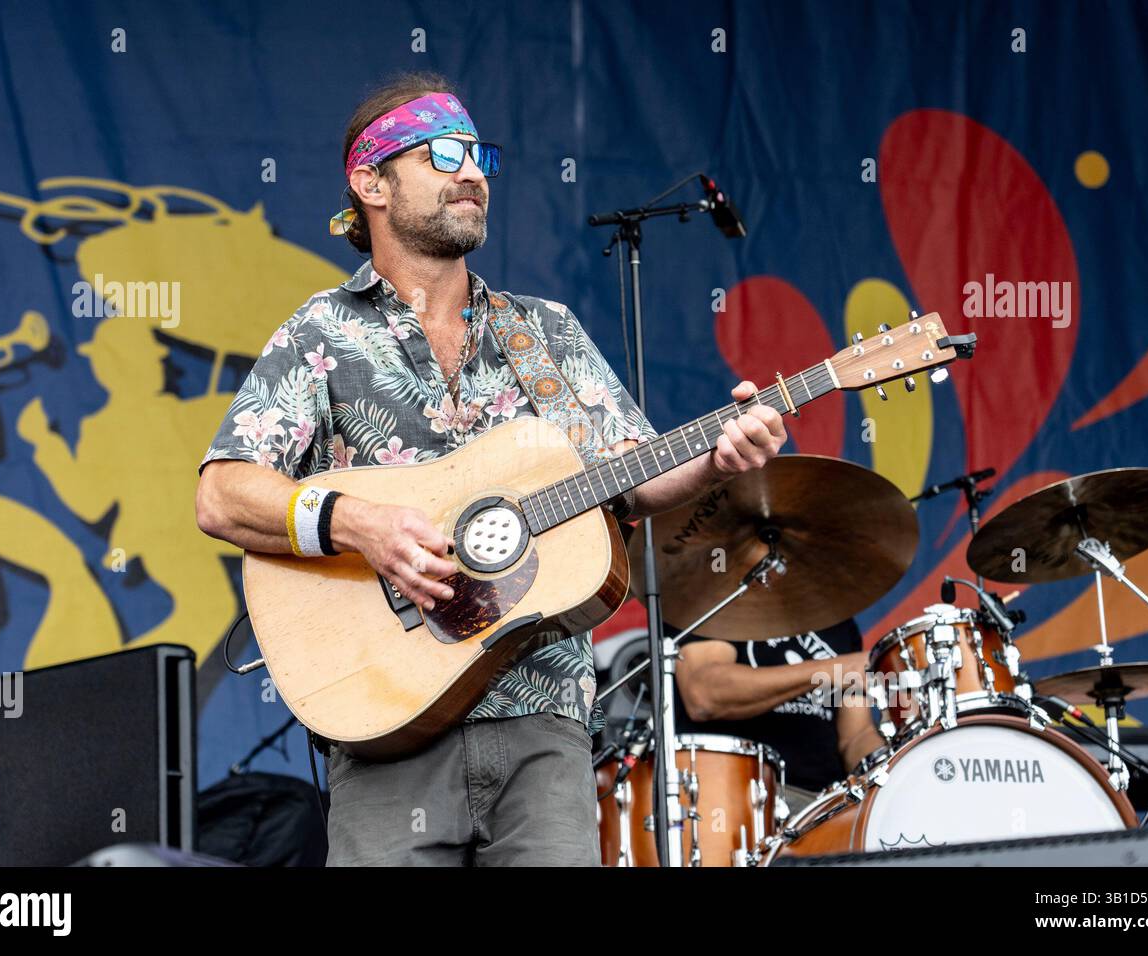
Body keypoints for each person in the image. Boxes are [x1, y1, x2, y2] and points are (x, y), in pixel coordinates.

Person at [195, 72, 788, 866]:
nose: (471, 171)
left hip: (542, 717)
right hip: (384, 715)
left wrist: (718, 459)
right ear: (371, 181)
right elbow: (222, 495)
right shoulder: (321, 333)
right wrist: (357, 522)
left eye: (479, 155)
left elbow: (634, 477)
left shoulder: (546, 332)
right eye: (443, 153)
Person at [674, 618, 886, 811]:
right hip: (736, 795)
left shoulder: (841, 624)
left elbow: (856, 736)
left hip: (825, 807)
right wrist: (831, 670)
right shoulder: (716, 602)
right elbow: (703, 695)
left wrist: (890, 768)